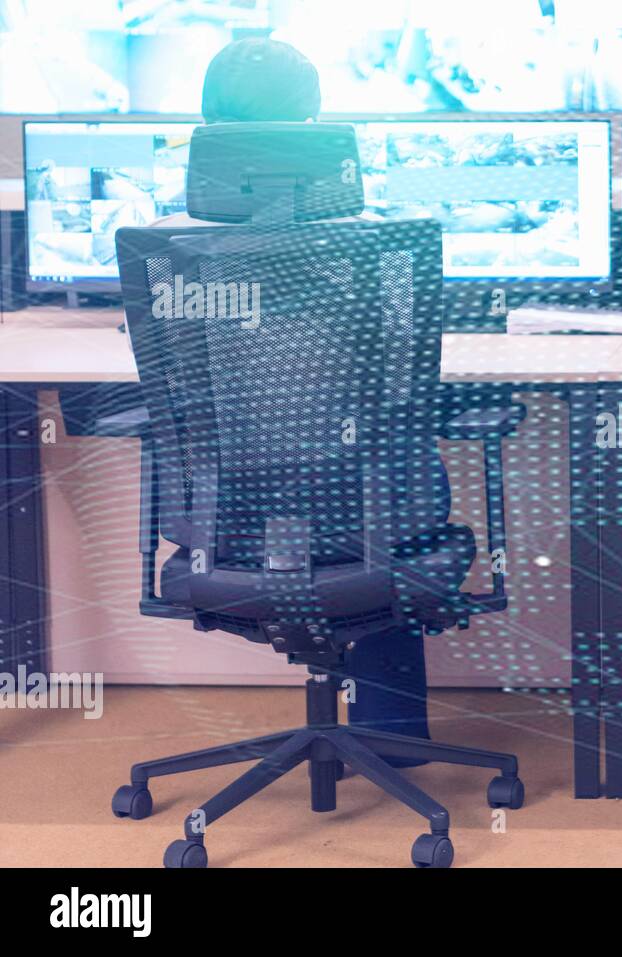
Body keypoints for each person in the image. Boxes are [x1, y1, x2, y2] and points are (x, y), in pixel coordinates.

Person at [151, 38, 444, 763]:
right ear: (317, 121)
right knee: (381, 469)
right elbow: (402, 368)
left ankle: (380, 732)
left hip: (226, 519)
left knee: (366, 472)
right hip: (365, 514)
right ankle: (394, 735)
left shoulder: (170, 247)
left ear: (205, 124)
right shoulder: (376, 248)